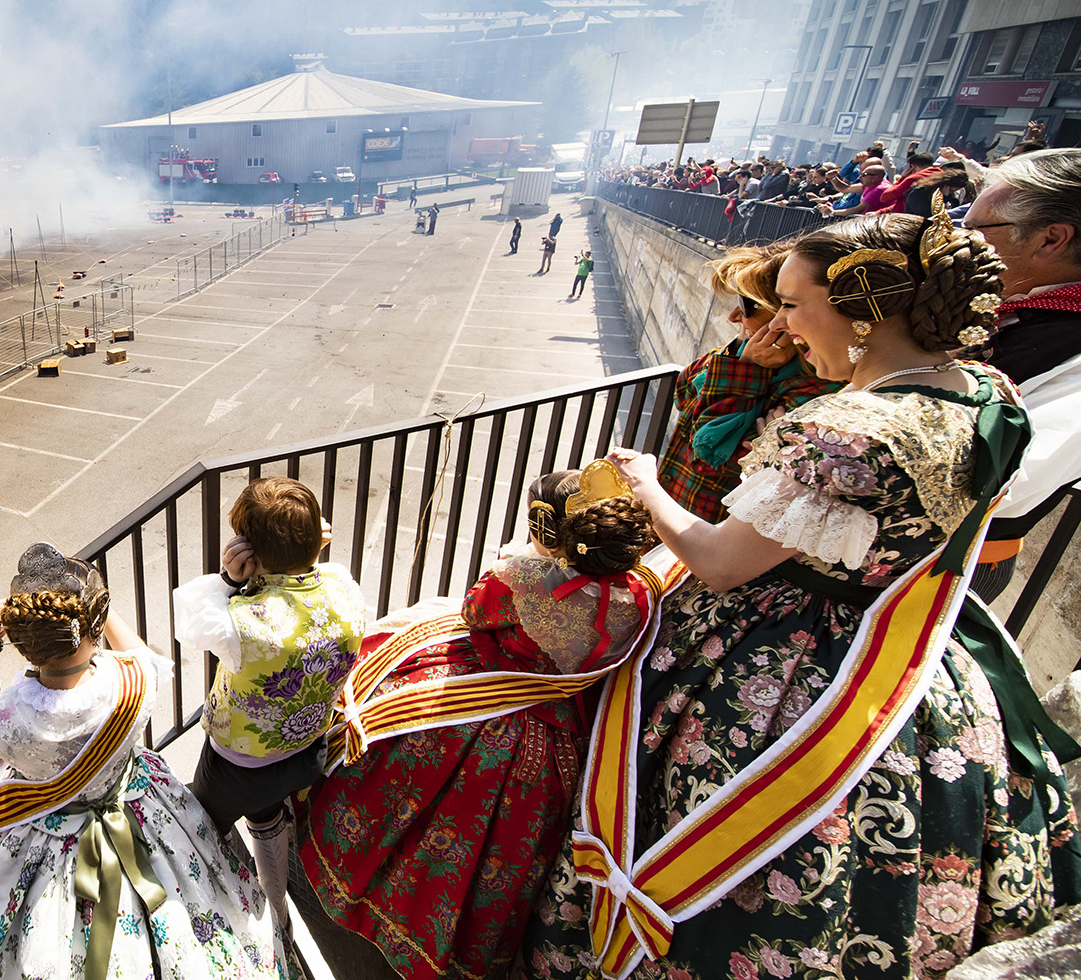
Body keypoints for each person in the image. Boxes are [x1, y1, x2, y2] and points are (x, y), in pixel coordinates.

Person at [524, 208, 1081, 979]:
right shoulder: (986, 390)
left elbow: (719, 562)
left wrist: (649, 487)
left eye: (791, 305)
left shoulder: (844, 431)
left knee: (679, 815)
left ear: (864, 310)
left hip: (789, 664)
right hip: (912, 647)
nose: (782, 325)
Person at [295, 464, 662, 980]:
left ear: (547, 529)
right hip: (558, 735)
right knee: (497, 848)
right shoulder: (641, 592)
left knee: (400, 763)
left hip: (483, 701)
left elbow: (476, 611)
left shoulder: (528, 580)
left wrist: (522, 562)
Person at [0, 543, 291, 979]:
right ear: (93, 623)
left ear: (21, 642)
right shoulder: (132, 679)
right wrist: (93, 603)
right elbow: (147, 657)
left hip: (42, 835)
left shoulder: (5, 718)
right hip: (144, 811)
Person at [173, 477, 364, 929]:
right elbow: (319, 575)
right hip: (307, 754)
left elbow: (190, 620)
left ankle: (204, 913)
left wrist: (227, 579)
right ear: (320, 538)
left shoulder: (238, 621)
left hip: (238, 767)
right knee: (269, 816)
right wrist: (310, 549)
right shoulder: (344, 588)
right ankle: (277, 912)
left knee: (196, 828)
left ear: (249, 552)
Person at [962, 149, 1081, 599]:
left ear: (1050, 239)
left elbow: (1009, 484)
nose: (959, 242)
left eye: (975, 231)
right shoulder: (1007, 308)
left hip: (954, 564)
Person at [656, 245, 839, 521]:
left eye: (746, 305)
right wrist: (740, 352)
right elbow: (683, 393)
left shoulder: (812, 391)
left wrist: (748, 369)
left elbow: (711, 457)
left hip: (710, 528)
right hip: (678, 501)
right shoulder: (744, 351)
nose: (733, 317)